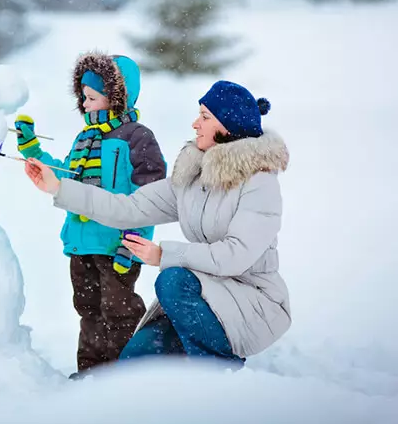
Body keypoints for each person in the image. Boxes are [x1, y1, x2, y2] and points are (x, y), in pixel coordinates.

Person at [23, 80, 290, 366]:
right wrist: (59, 188)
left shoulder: (260, 184)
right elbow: (128, 208)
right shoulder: (193, 178)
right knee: (132, 365)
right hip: (204, 295)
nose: (195, 124)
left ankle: (218, 371)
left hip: (251, 301)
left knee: (172, 279)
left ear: (227, 126)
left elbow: (235, 255)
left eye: (205, 117)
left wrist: (163, 255)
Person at [13, 52, 167, 375]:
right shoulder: (84, 138)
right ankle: (91, 372)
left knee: (119, 310)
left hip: (116, 247)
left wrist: (133, 244)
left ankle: (126, 373)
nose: (84, 105)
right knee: (88, 309)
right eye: (83, 97)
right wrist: (32, 152)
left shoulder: (137, 139)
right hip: (82, 245)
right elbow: (65, 176)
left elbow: (151, 198)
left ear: (115, 97)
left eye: (92, 97)